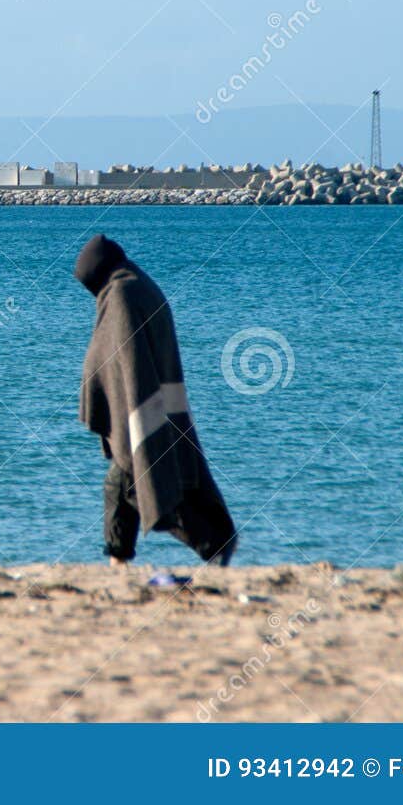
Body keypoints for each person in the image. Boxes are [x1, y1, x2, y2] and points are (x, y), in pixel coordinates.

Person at [75, 233, 236, 566]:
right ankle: (118, 563)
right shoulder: (138, 284)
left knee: (149, 487)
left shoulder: (121, 295)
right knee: (122, 484)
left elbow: (122, 357)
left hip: (143, 409)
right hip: (156, 405)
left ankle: (215, 547)